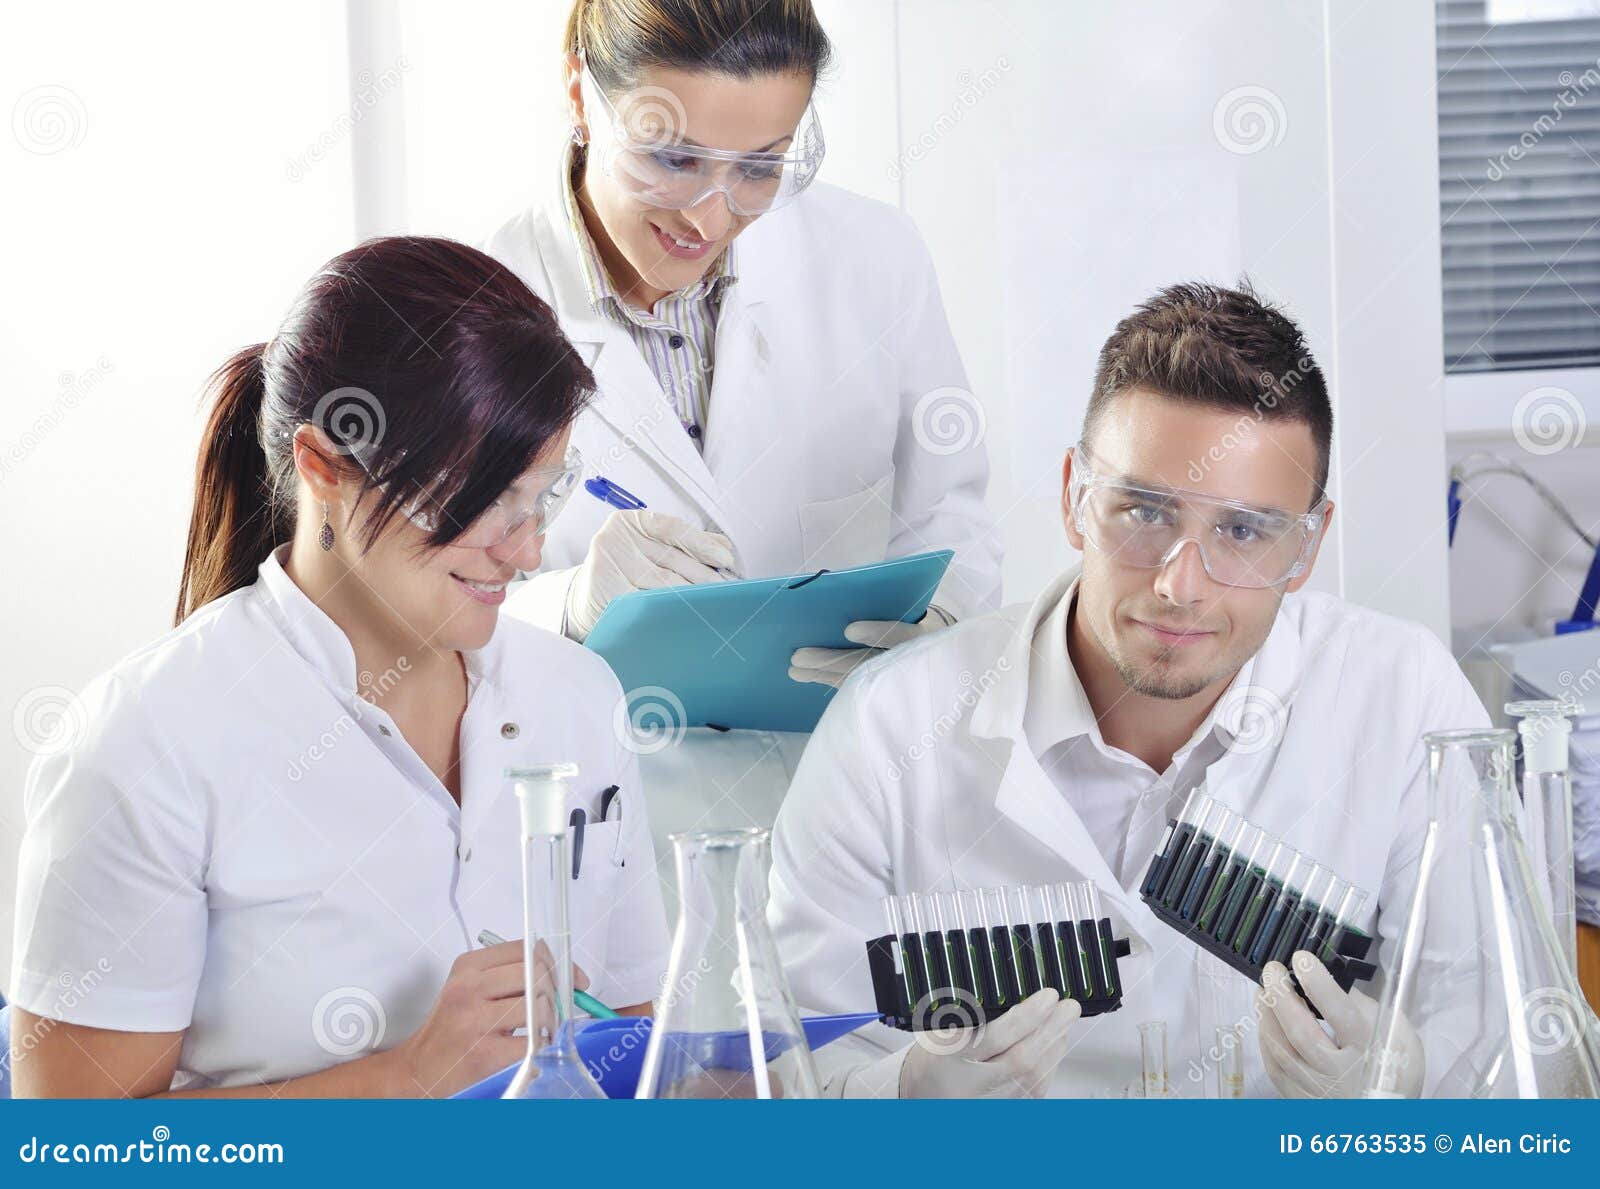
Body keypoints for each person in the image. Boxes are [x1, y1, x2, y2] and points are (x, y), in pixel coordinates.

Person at [768, 282, 1490, 1098]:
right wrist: (902, 1097)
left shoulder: (1404, 699)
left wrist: (1401, 1080)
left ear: (1309, 543)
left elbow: (1509, 1040)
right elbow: (784, 1075)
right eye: (1144, 512)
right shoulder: (889, 725)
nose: (1182, 585)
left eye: (1244, 531)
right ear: (1077, 497)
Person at [7, 237, 668, 1097]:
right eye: (479, 503)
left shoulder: (577, 695)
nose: (531, 550)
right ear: (324, 464)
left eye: (542, 495)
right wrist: (403, 1078)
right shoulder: (145, 742)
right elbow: (74, 1152)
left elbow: (642, 1036)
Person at [484, 0, 1003, 858]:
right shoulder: (473, 304)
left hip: (847, 811)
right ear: (580, 92)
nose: (710, 217)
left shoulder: (875, 258)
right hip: (602, 828)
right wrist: (567, 607)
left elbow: (955, 521)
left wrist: (937, 633)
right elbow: (414, 619)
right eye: (671, 158)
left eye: (760, 168)